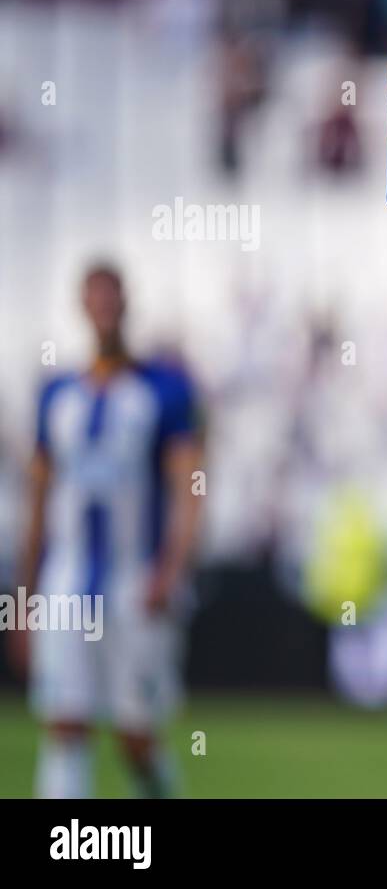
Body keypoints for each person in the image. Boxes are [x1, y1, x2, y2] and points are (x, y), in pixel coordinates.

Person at [11, 263, 202, 798]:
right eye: (94, 298)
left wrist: (172, 567)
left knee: (135, 734)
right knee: (64, 722)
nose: (104, 309)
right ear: (82, 307)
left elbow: (190, 486)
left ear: (125, 303)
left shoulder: (162, 390)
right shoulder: (57, 395)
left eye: (111, 297)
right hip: (67, 579)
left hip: (131, 580)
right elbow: (39, 500)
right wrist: (24, 595)